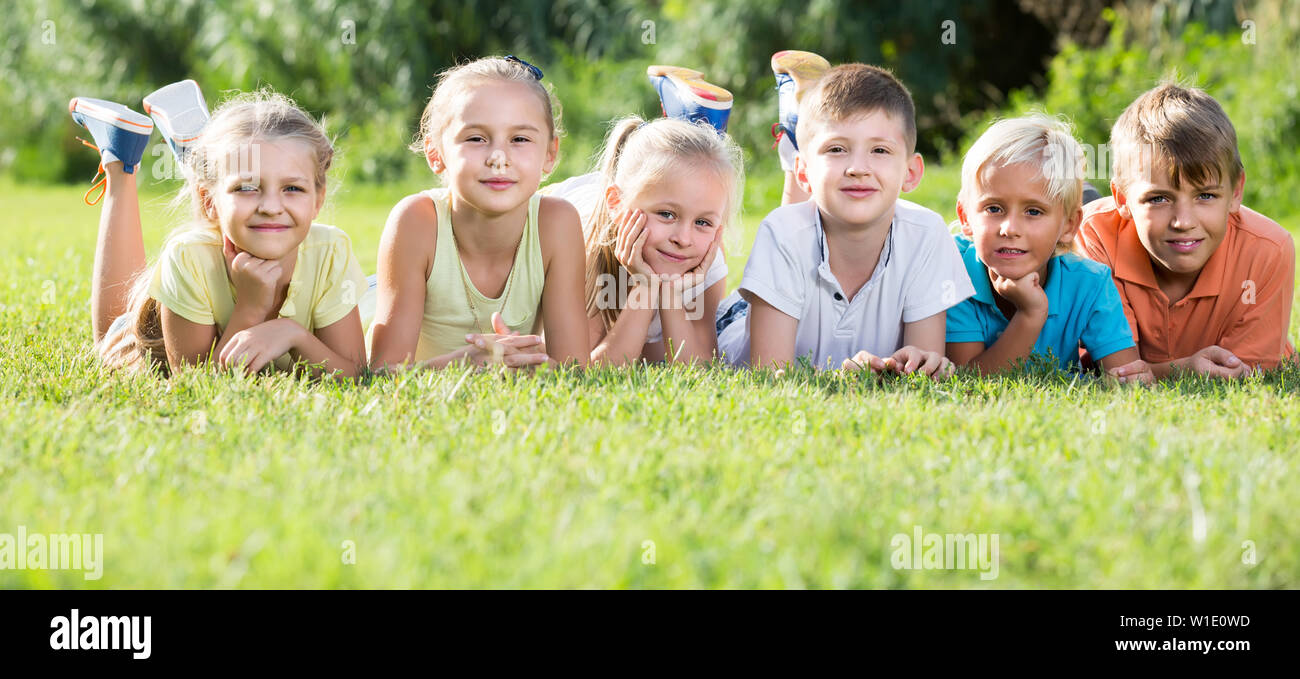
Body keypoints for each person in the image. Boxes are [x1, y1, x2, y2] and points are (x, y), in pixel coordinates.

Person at [72, 84, 367, 377]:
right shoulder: (188, 258)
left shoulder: (330, 252)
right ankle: (120, 158)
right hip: (147, 340)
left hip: (218, 207)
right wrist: (249, 309)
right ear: (208, 201)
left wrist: (291, 333)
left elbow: (354, 375)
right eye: (247, 187)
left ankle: (203, 160)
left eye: (292, 188)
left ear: (319, 199)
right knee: (109, 340)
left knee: (233, 207)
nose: (271, 206)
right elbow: (198, 384)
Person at [716, 63, 974, 375]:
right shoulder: (781, 233)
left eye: (879, 150)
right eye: (837, 149)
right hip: (736, 320)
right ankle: (700, 129)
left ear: (911, 172)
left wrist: (917, 365)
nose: (858, 168)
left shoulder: (927, 234)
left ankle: (798, 124)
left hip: (794, 270)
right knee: (700, 258)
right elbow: (771, 374)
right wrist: (842, 375)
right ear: (804, 173)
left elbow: (920, 366)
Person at [365, 56, 590, 371]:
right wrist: (467, 364)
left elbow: (575, 370)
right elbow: (380, 372)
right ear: (435, 154)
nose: (498, 158)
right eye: (476, 139)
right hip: (370, 301)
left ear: (549, 155)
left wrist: (527, 363)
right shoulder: (416, 222)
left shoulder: (557, 224)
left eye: (520, 139)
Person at [1076, 83, 1296, 378]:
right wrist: (1185, 370)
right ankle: (1081, 195)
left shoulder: (1269, 249)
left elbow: (1246, 373)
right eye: (1159, 198)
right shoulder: (1093, 235)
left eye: (1205, 196)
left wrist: (1162, 371)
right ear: (1123, 199)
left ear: (1236, 192)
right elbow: (1121, 373)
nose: (1183, 222)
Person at [944, 115, 1152, 382]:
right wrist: (1030, 315)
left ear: (1069, 225)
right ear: (965, 217)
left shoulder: (1089, 282)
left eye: (1033, 211)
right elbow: (968, 382)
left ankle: (1086, 197)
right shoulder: (956, 272)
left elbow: (1125, 375)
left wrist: (1131, 377)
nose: (1010, 228)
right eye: (993, 208)